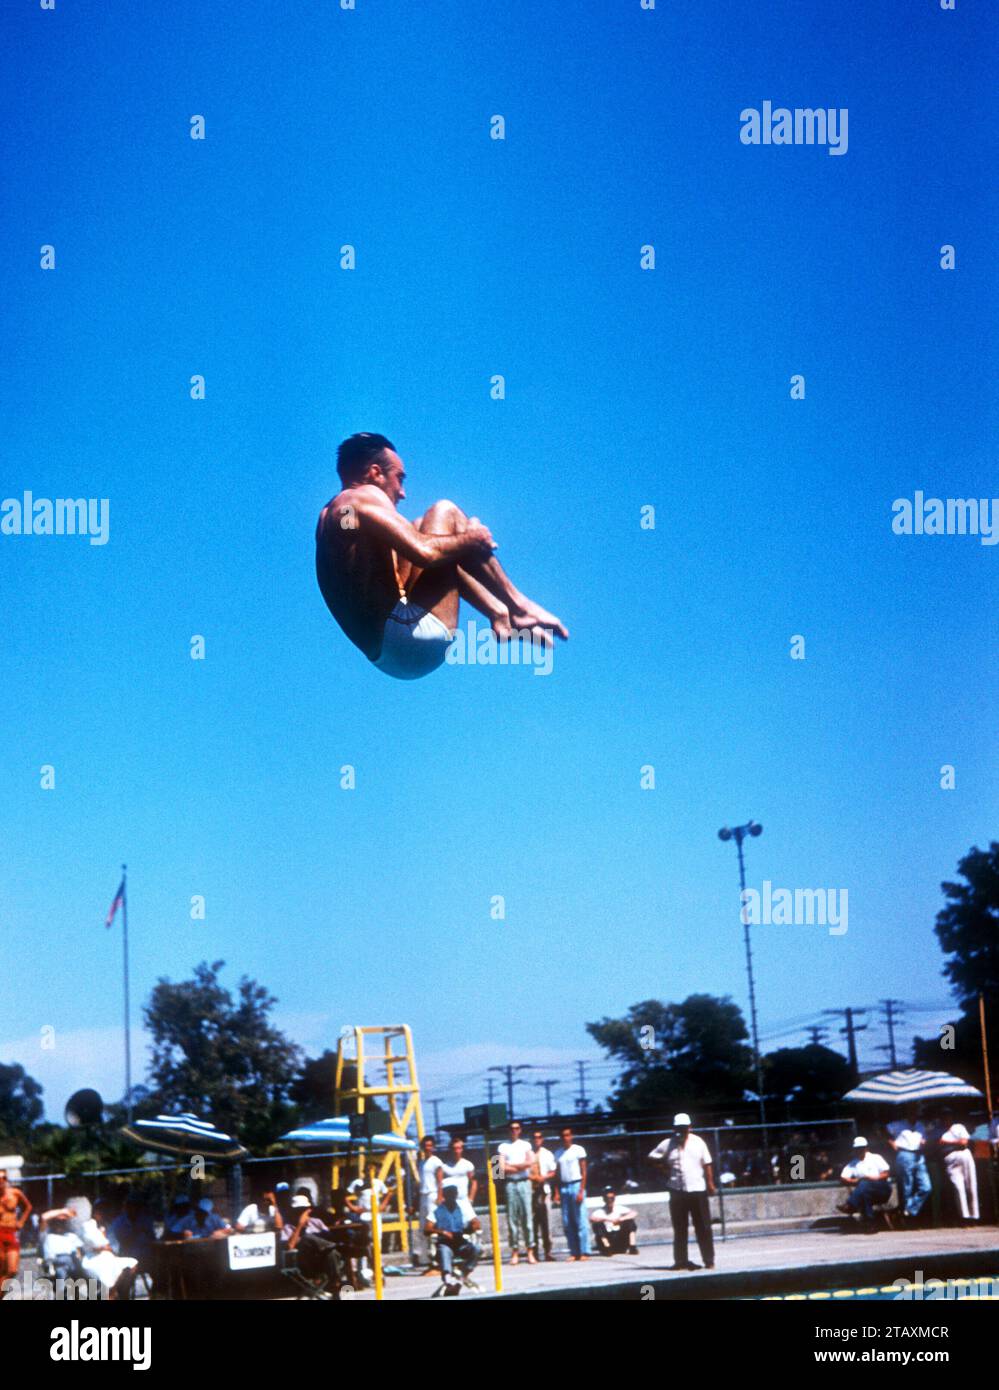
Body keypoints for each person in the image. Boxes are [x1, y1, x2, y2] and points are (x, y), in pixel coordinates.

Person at [315, 433, 568, 680]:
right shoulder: (361, 499)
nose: (402, 493)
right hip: (409, 640)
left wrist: (458, 545)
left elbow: (426, 556)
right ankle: (519, 606)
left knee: (422, 527)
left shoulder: (335, 514)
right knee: (445, 512)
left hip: (387, 655)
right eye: (399, 478)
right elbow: (426, 553)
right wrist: (473, 538)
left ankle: (499, 614)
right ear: (375, 473)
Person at [648, 1113, 716, 1270]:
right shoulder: (667, 1144)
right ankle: (680, 1260)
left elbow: (707, 1163)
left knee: (703, 1227)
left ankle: (709, 1259)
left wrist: (710, 1183)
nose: (681, 1131)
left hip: (697, 1189)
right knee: (680, 1228)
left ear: (690, 1128)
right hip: (677, 1190)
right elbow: (651, 1158)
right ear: (674, 1128)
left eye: (684, 1128)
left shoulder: (698, 1142)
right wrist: (664, 1169)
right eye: (678, 1128)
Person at [425, 1184, 482, 1295]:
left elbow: (476, 1224)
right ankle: (448, 1281)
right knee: (444, 1251)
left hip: (460, 1242)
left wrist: (465, 1230)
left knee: (477, 1249)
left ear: (456, 1195)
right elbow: (427, 1228)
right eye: (449, 1194)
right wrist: (443, 1232)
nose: (451, 1196)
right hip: (445, 1243)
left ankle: (461, 1278)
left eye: (453, 1193)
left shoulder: (463, 1207)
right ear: (445, 1195)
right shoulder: (437, 1210)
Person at [80, 1197, 137, 1300]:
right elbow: (97, 1245)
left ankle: (115, 1292)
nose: (103, 1213)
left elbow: (113, 1246)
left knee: (132, 1264)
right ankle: (109, 1295)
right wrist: (104, 1247)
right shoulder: (88, 1226)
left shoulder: (109, 1227)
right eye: (100, 1210)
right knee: (107, 1271)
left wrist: (106, 1247)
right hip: (93, 1260)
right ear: (95, 1212)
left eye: (105, 1210)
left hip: (109, 1257)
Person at [498, 1120, 537, 1264]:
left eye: (517, 1128)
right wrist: (520, 1166)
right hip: (509, 1184)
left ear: (520, 1130)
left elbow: (530, 1162)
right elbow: (500, 1169)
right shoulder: (502, 1146)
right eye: (511, 1128)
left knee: (527, 1218)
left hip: (524, 1183)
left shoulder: (526, 1145)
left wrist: (511, 1166)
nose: (514, 1130)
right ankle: (514, 1252)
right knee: (512, 1219)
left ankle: (530, 1251)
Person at [837, 1136, 893, 1229]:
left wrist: (872, 1178)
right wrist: (856, 1181)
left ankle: (851, 1204)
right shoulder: (853, 1163)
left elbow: (886, 1174)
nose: (859, 1151)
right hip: (865, 1191)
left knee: (864, 1183)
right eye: (857, 1149)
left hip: (881, 1188)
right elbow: (843, 1178)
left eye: (861, 1148)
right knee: (864, 1191)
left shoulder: (875, 1158)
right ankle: (870, 1223)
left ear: (866, 1148)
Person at [553, 1126, 590, 1261]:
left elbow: (584, 1171)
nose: (565, 1138)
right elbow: (557, 1175)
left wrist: (581, 1189)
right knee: (567, 1221)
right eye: (563, 1135)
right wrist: (556, 1192)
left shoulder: (578, 1150)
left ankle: (584, 1251)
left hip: (576, 1184)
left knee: (580, 1219)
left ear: (571, 1136)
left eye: (567, 1135)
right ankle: (574, 1251)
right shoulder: (558, 1153)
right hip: (564, 1187)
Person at [887, 1116, 931, 1223]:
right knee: (907, 1186)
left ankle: (907, 1210)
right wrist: (892, 1144)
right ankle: (906, 1218)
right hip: (905, 1153)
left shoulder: (920, 1125)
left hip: (919, 1155)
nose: (914, 1112)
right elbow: (883, 1132)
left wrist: (924, 1142)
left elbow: (924, 1138)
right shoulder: (898, 1123)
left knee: (926, 1187)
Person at [939, 1115, 979, 1224]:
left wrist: (947, 1142)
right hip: (950, 1158)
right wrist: (954, 1143)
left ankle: (974, 1215)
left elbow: (964, 1142)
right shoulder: (938, 1130)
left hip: (964, 1154)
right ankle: (964, 1217)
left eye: (947, 1117)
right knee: (958, 1187)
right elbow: (937, 1143)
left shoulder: (959, 1127)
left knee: (971, 1185)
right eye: (943, 1117)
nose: (945, 1120)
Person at [415, 1135, 444, 1273]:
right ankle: (427, 1259)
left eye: (430, 1145)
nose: (428, 1148)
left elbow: (440, 1180)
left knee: (432, 1228)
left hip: (433, 1196)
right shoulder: (421, 1162)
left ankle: (436, 1260)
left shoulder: (436, 1161)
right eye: (425, 1145)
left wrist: (439, 1196)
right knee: (423, 1229)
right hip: (423, 1196)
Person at [530, 1129, 557, 1262]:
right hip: (528, 1192)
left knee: (546, 1223)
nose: (536, 1139)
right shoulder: (525, 1153)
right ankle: (532, 1252)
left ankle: (548, 1251)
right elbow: (497, 1171)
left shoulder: (547, 1154)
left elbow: (553, 1172)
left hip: (543, 1191)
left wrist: (542, 1178)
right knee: (531, 1224)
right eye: (534, 1137)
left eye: (539, 1137)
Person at [0, 1168, 32, 1282]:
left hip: (12, 1232)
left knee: (12, 1270)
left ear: (6, 1179)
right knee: (2, 1269)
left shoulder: (15, 1193)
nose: (1, 1180)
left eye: (4, 1178)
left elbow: (28, 1207)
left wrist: (21, 1221)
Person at [589, 1186, 640, 1256]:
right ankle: (607, 1247)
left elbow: (634, 1213)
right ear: (604, 1199)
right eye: (607, 1199)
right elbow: (591, 1218)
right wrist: (607, 1219)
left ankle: (632, 1246)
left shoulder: (619, 1208)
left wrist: (620, 1219)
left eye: (612, 1198)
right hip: (608, 1238)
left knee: (630, 1222)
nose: (610, 1200)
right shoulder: (599, 1212)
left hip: (620, 1239)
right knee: (597, 1225)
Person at [38, 1207, 84, 1282]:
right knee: (61, 1272)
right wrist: (62, 1211)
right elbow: (43, 1217)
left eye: (63, 1222)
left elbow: (79, 1253)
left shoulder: (71, 1236)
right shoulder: (47, 1236)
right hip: (56, 1263)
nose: (60, 1224)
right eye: (57, 1222)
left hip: (74, 1264)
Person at [438, 1136, 477, 1218]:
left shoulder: (468, 1164)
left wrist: (471, 1199)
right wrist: (441, 1198)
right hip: (449, 1202)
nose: (456, 1151)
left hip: (464, 1200)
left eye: (459, 1148)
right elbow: (439, 1184)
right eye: (454, 1148)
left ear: (462, 1149)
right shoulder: (444, 1167)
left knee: (473, 1225)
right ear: (451, 1149)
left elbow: (474, 1183)